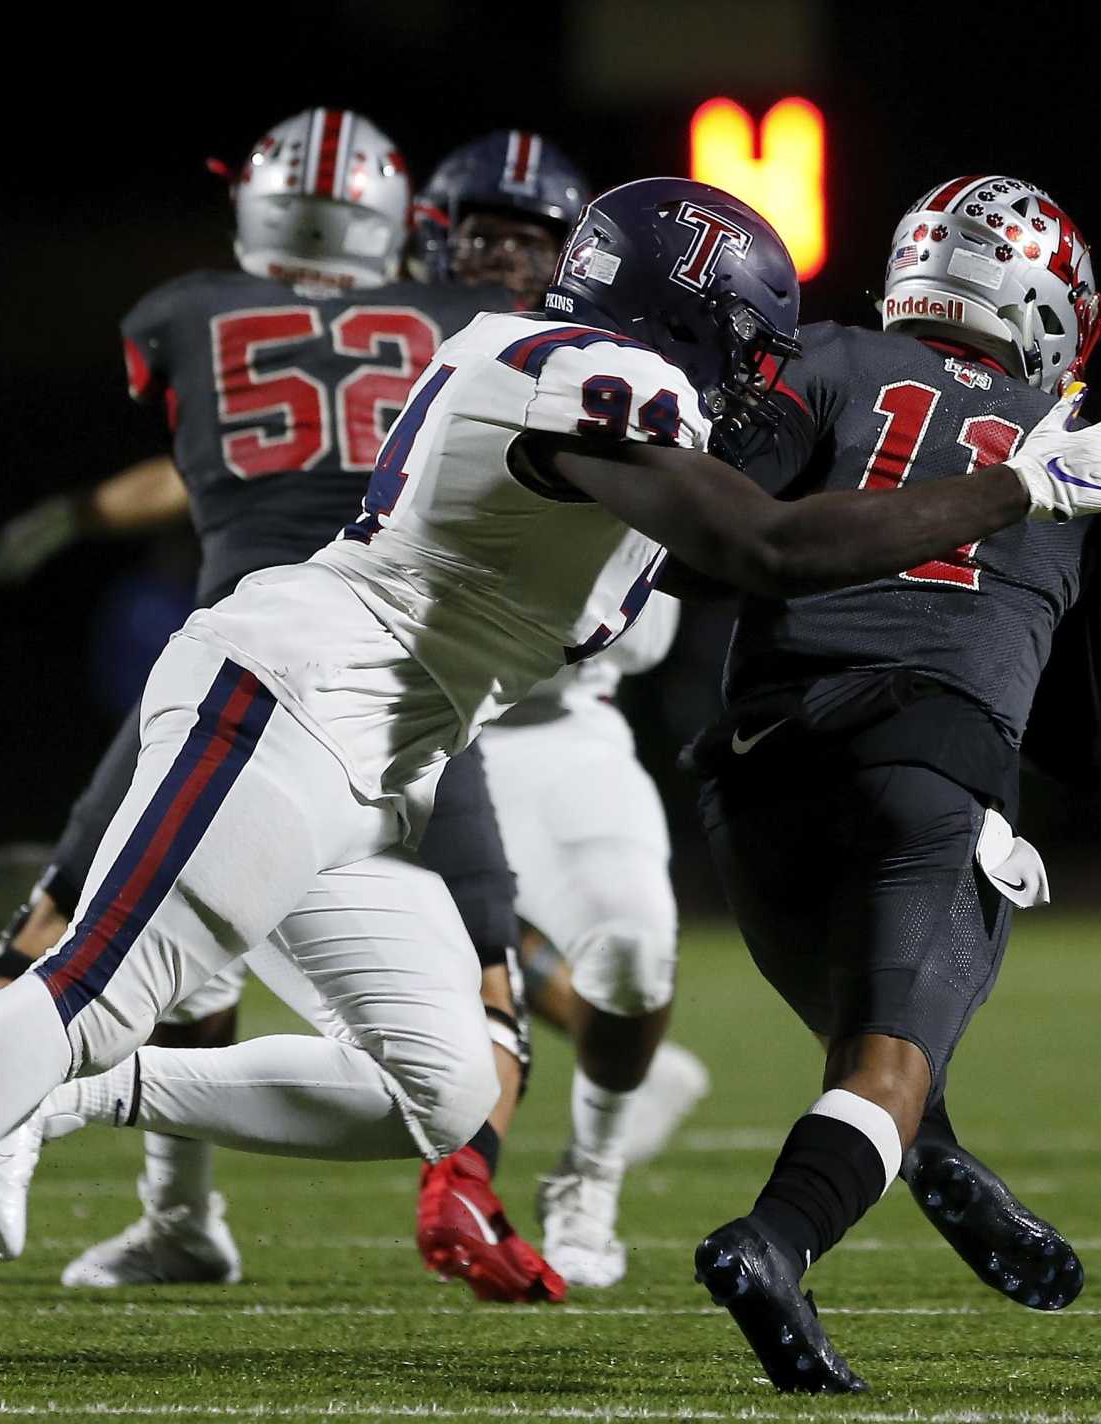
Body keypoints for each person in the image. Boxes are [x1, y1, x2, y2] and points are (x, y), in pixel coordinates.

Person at [0, 175, 1101, 1402]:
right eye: (747, 337)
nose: (756, 368)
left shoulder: (591, 371)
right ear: (694, 317)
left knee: (455, 1081)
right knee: (91, 978)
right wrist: (1021, 487)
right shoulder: (588, 376)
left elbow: (764, 522)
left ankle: (52, 1096)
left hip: (386, 757)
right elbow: (769, 551)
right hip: (297, 692)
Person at [0, 108, 562, 1303]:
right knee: (490, 975)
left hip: (244, 660)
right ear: (398, 221)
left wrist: (80, 511)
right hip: (413, 676)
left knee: (58, 929)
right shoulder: (468, 329)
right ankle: (467, 1192)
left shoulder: (184, 311)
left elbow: (192, 459)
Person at [687, 174, 1101, 1391]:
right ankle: (776, 1237)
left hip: (750, 767)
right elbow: (1091, 743)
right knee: (886, 1060)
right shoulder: (1073, 448)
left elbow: (714, 527)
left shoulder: (821, 357)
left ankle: (936, 1151)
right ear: (1045, 305)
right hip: (925, 760)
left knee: (867, 1035)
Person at [412, 130, 711, 1290]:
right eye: (479, 232)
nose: (497, 257)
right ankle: (173, 1206)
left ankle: (588, 1172)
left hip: (552, 720)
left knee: (635, 950)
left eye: (526, 239)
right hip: (406, 711)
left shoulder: (613, 369)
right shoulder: (401, 346)